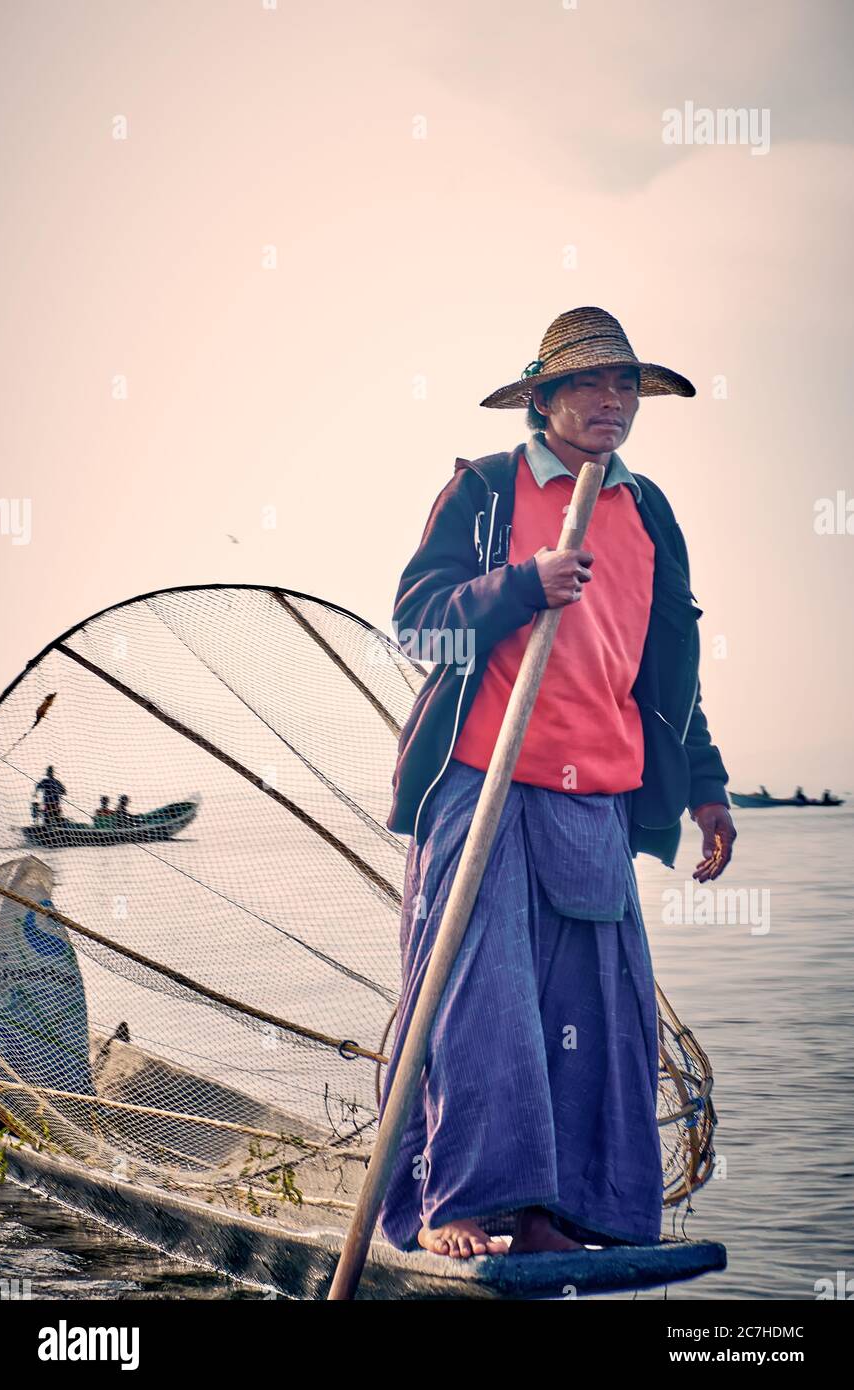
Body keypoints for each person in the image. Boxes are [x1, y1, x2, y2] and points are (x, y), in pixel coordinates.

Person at [380, 306, 736, 1259]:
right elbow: (417, 623)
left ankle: (553, 1215)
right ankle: (453, 1201)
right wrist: (521, 585)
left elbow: (667, 671)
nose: (611, 399)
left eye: (624, 384)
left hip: (597, 798)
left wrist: (705, 787)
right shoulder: (487, 490)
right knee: (476, 993)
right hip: (484, 781)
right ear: (542, 400)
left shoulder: (648, 511)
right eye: (587, 382)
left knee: (594, 1014)